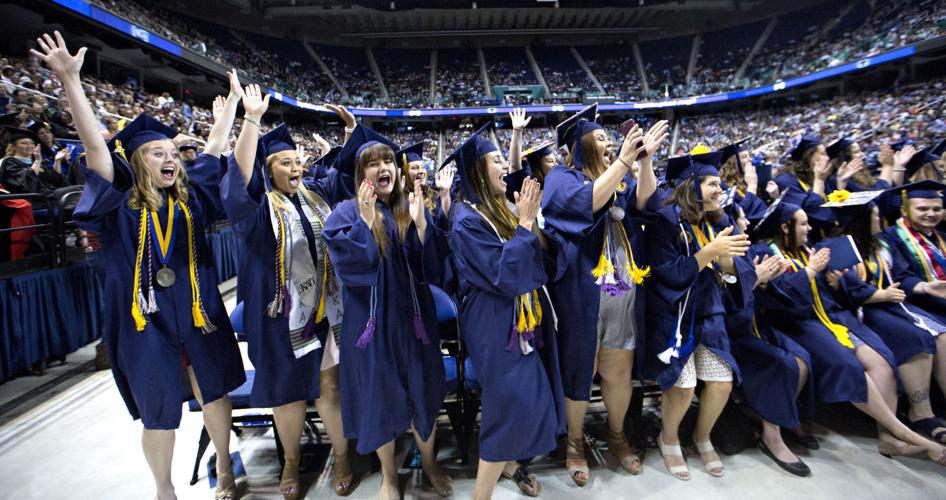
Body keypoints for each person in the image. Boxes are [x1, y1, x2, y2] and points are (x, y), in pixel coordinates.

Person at [31, 32, 245, 499]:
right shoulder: (119, 206)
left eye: (172, 152)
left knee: (213, 389)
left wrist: (229, 112)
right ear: (136, 160)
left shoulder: (191, 199)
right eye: (157, 152)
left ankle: (225, 467)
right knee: (158, 406)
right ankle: (163, 489)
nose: (169, 157)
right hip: (143, 319)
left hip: (197, 309)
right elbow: (95, 152)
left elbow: (211, 152)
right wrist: (70, 81)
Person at [221, 82, 355, 498]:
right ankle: (291, 463)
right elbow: (238, 183)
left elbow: (346, 175)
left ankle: (343, 456)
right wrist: (253, 120)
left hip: (324, 314)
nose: (296, 168)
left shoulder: (316, 198)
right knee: (287, 393)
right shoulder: (259, 210)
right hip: (279, 317)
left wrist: (349, 132)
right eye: (285, 162)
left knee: (329, 387)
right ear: (268, 170)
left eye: (299, 162)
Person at [751, 193, 946, 465]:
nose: (809, 229)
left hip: (834, 317)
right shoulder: (765, 253)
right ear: (785, 227)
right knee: (847, 363)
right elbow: (777, 303)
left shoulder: (812, 251)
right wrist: (809, 272)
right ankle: (902, 431)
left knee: (882, 362)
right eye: (803, 224)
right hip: (798, 322)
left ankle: (888, 436)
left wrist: (835, 282)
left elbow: (841, 292)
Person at [323, 125, 452, 500]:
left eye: (388, 161)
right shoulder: (345, 212)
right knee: (380, 396)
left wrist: (423, 223)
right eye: (372, 163)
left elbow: (433, 268)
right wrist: (364, 223)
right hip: (371, 327)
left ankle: (429, 463)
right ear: (359, 174)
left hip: (414, 323)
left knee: (422, 389)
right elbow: (354, 271)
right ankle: (389, 476)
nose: (383, 167)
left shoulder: (407, 207)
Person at [541, 104, 667, 485]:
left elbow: (645, 204)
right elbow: (586, 202)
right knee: (581, 368)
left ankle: (616, 434)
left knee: (619, 370)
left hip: (624, 292)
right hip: (582, 293)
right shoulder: (561, 178)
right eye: (600, 138)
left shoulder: (620, 178)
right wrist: (624, 162)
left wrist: (642, 162)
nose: (610, 143)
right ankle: (575, 442)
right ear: (579, 146)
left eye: (610, 139)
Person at [445, 125, 565, 499]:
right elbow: (503, 274)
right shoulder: (466, 220)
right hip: (493, 325)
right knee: (507, 405)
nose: (504, 167)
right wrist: (525, 223)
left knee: (527, 398)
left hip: (516, 322)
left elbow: (534, 258)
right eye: (496, 160)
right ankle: (481, 494)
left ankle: (510, 463)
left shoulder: (493, 208)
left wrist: (530, 223)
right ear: (477, 171)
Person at [643, 149, 753, 480]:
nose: (720, 190)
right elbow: (667, 272)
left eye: (720, 184)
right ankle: (670, 437)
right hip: (675, 315)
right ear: (690, 186)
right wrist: (709, 252)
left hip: (711, 311)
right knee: (684, 385)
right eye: (711, 184)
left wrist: (727, 262)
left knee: (721, 381)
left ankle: (702, 437)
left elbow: (738, 269)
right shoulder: (666, 220)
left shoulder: (718, 220)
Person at [825, 191, 946, 445]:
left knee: (942, 335)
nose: (879, 219)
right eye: (875, 215)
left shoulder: (882, 243)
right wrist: (879, 294)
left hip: (892, 304)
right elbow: (847, 288)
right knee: (915, 338)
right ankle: (920, 412)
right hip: (863, 310)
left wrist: (924, 287)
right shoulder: (838, 247)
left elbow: (901, 272)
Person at [721, 198, 814, 477]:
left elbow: (765, 299)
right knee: (781, 363)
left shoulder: (747, 251)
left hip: (755, 325)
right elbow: (723, 309)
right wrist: (754, 280)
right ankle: (772, 437)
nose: (747, 223)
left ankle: (781, 418)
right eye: (741, 218)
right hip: (730, 334)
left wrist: (764, 282)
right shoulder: (721, 254)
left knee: (803, 360)